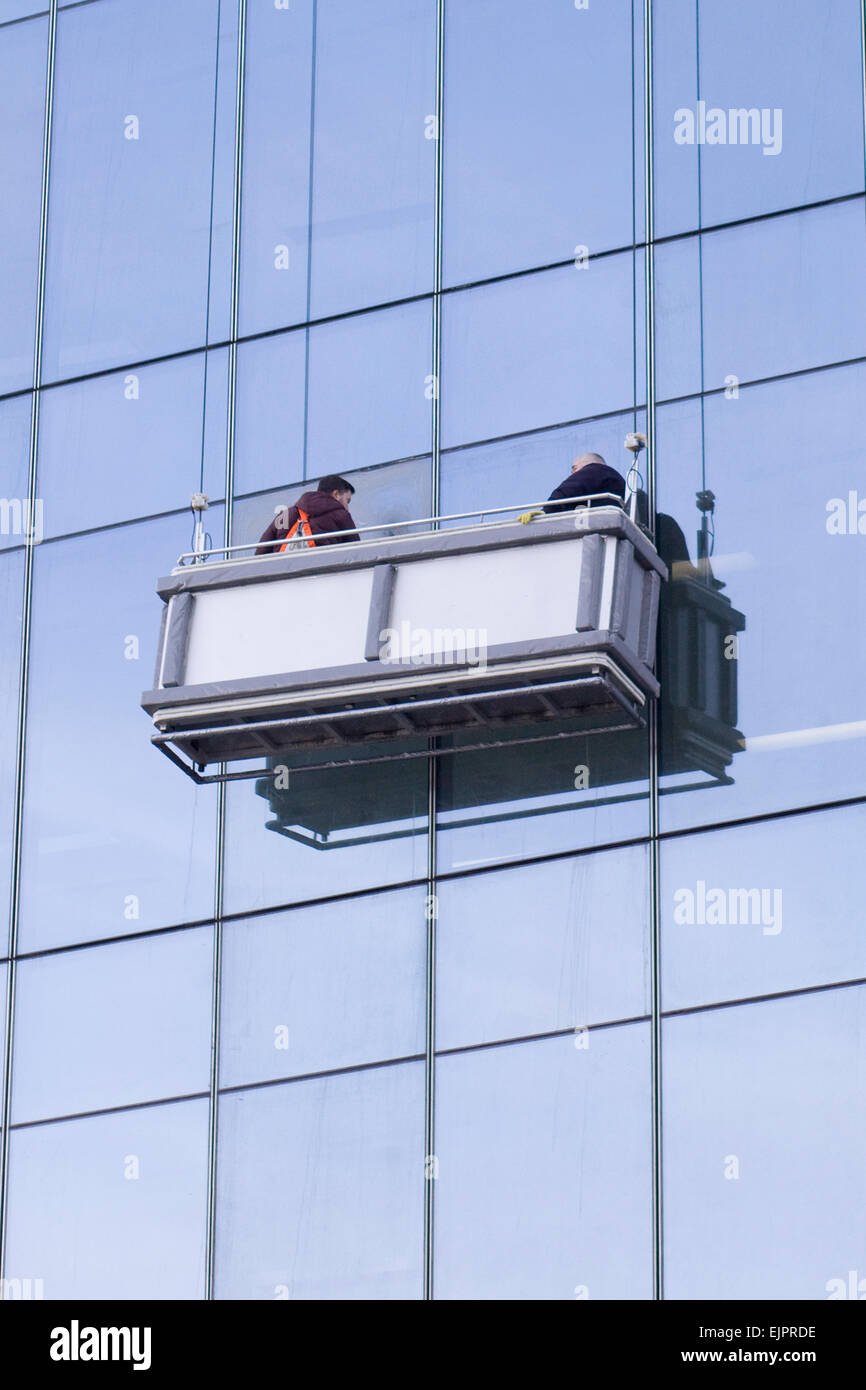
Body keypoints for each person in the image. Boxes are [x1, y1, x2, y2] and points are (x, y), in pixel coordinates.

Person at [255, 475, 360, 555]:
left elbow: (261, 551)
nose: (347, 507)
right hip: (323, 574)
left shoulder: (285, 515)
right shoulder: (342, 515)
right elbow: (357, 552)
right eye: (347, 501)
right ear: (336, 494)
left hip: (283, 575)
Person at [542, 452, 626, 512]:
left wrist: (545, 512)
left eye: (574, 469)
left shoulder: (593, 469)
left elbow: (567, 490)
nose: (573, 474)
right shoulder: (619, 481)